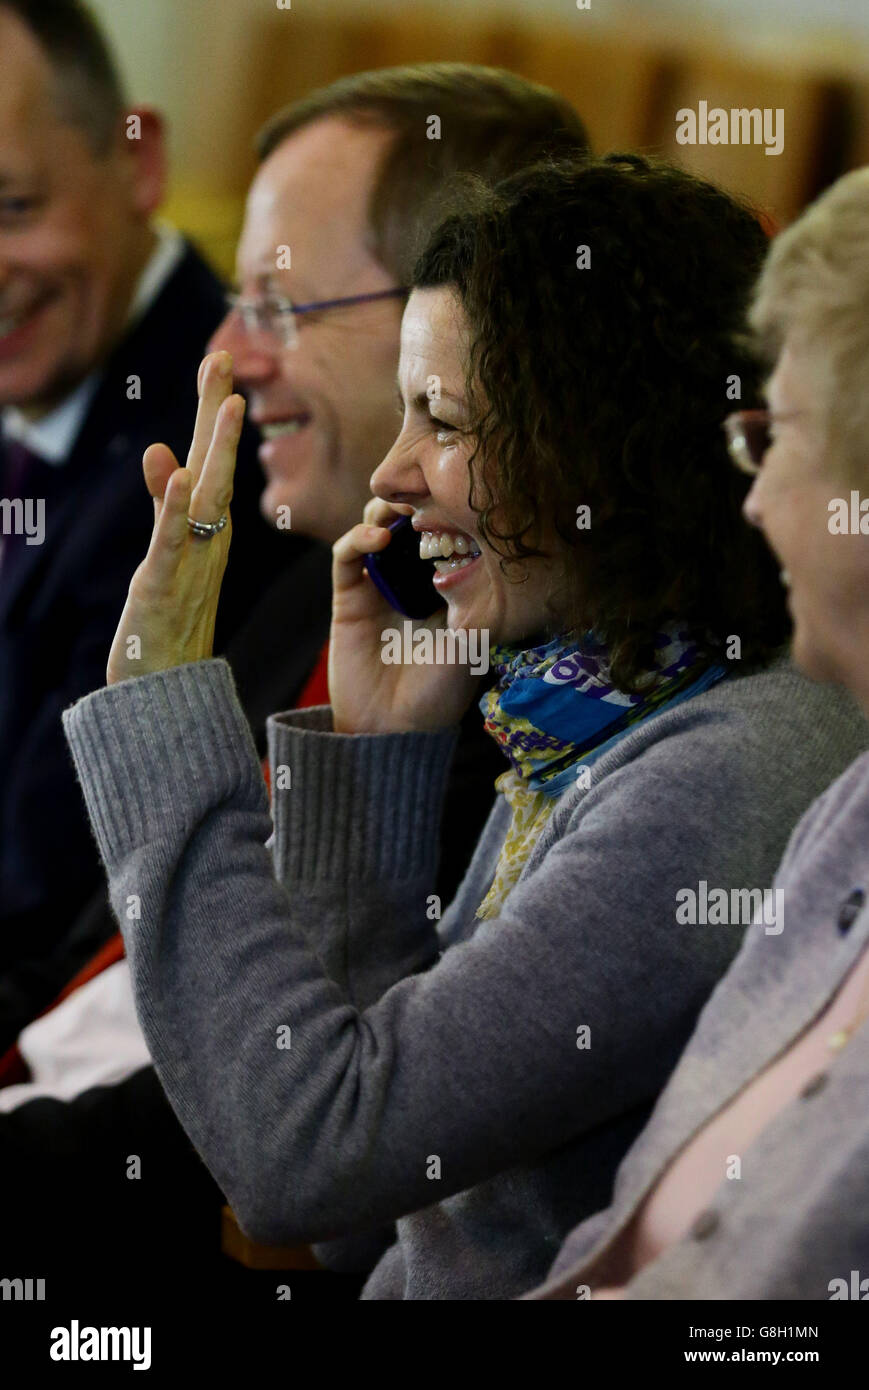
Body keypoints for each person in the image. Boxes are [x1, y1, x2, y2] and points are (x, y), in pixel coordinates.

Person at [62, 153, 866, 1301]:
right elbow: (361, 1211)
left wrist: (159, 701)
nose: (393, 474)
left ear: (595, 443)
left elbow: (302, 1161)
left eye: (440, 418)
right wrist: (375, 759)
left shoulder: (727, 766)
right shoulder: (589, 711)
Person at [0, 61, 591, 1290]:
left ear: (464, 324)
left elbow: (267, 1143)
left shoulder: (505, 705)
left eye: (279, 309)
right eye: (231, 304)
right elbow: (87, 973)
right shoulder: (300, 580)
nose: (224, 356)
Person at [525, 165, 869, 1302]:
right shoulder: (848, 811)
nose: (755, 499)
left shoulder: (742, 760)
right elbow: (615, 1246)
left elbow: (314, 1157)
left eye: (776, 439)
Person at [0, 0, 296, 1035]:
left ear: (136, 163)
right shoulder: (41, 376)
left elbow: (37, 906)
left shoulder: (215, 457)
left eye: (14, 208)